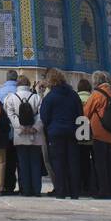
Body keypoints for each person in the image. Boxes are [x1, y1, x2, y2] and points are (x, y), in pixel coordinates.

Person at [39, 68, 83, 199]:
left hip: (56, 133)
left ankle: (61, 191)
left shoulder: (50, 97)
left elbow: (44, 116)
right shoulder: (73, 95)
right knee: (73, 162)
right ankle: (75, 192)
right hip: (72, 132)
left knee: (58, 162)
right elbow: (80, 113)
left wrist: (51, 126)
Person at [4, 77, 43, 197]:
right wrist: (34, 128)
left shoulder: (12, 97)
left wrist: (20, 127)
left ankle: (25, 190)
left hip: (19, 135)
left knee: (23, 164)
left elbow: (10, 115)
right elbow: (42, 115)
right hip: (34, 136)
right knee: (36, 164)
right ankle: (36, 190)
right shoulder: (36, 97)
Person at [84, 72, 111, 199]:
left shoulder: (97, 94)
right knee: (110, 164)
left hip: (99, 134)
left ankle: (103, 190)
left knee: (100, 164)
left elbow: (86, 112)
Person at [0, 69, 20, 193]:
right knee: (17, 160)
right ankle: (14, 184)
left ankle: (4, 184)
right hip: (19, 131)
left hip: (4, 131)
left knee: (4, 159)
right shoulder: (19, 91)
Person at [76, 78, 97, 195]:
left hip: (79, 135)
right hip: (92, 134)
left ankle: (83, 186)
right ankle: (93, 186)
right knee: (94, 162)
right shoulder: (92, 98)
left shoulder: (76, 98)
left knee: (82, 161)